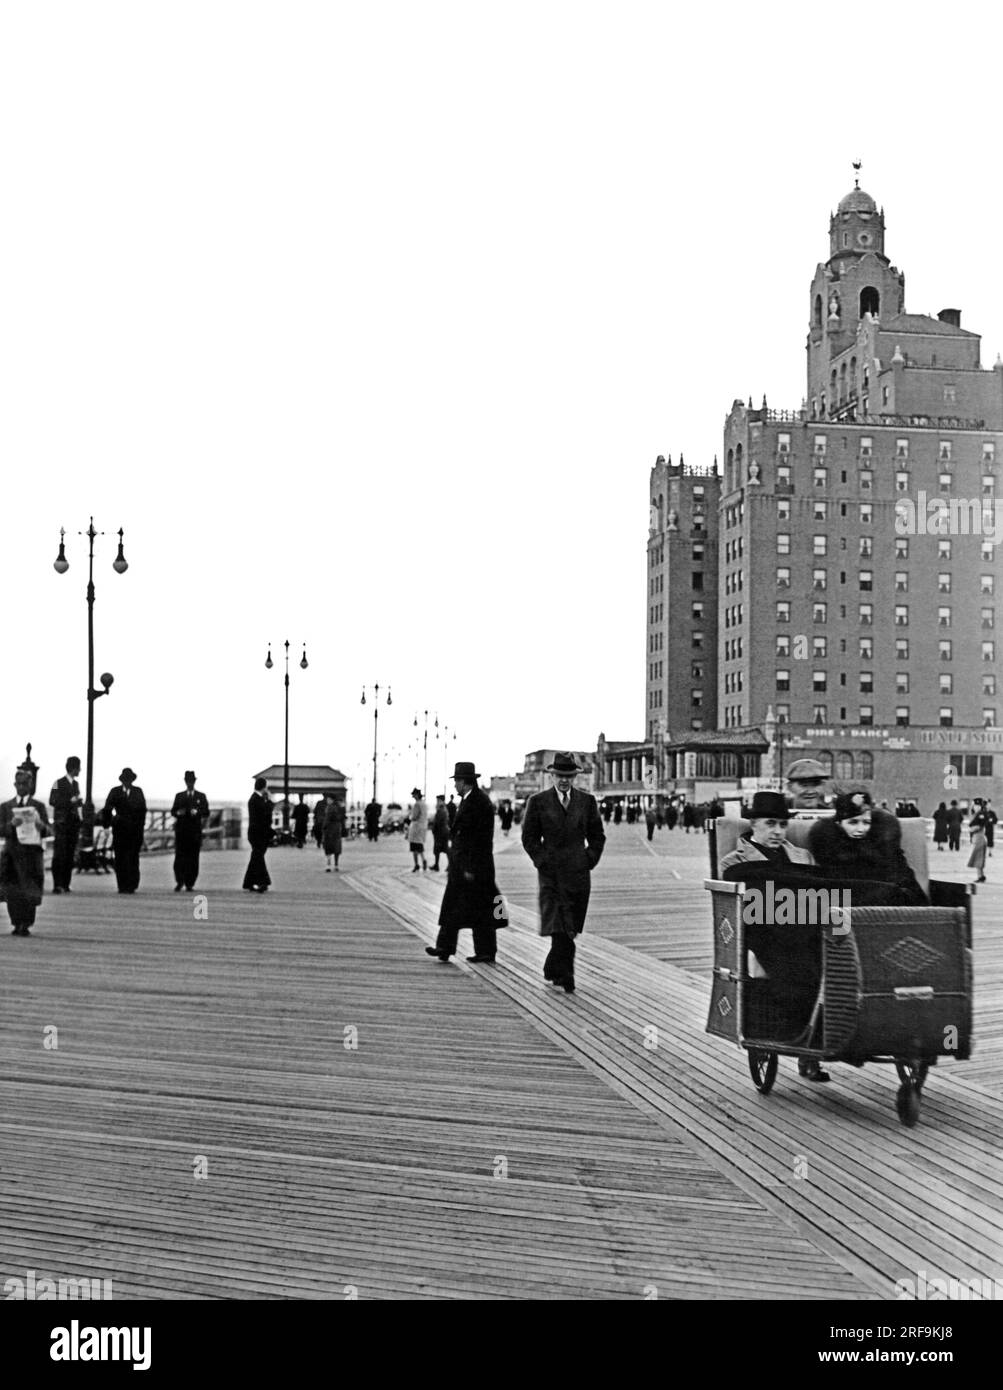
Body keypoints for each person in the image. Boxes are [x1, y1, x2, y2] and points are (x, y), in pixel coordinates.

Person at [720, 791, 828, 1081]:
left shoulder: (802, 857)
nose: (778, 831)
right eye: (771, 823)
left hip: (804, 931)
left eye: (783, 824)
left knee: (829, 960)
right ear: (753, 823)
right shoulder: (734, 861)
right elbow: (742, 911)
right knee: (795, 970)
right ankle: (800, 1040)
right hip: (764, 935)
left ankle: (814, 1044)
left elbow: (818, 897)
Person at [520, 752, 605, 994]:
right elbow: (529, 838)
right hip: (551, 875)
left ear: (574, 777)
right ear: (552, 776)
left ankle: (553, 967)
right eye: (560, 776)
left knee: (572, 927)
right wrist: (542, 861)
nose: (564, 780)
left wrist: (589, 859)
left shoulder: (587, 802)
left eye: (568, 776)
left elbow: (597, 836)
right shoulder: (538, 802)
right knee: (560, 925)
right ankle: (567, 976)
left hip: (578, 874)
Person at [427, 760, 507, 962]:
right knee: (458, 908)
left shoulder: (479, 802)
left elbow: (479, 839)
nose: (455, 785)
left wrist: (470, 867)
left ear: (464, 782)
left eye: (457, 781)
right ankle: (446, 947)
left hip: (474, 868)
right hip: (463, 866)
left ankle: (484, 951)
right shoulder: (471, 800)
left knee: (480, 910)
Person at [808, 790, 927, 906]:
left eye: (866, 822)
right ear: (839, 823)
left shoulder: (886, 849)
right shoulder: (832, 851)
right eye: (853, 822)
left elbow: (907, 885)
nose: (861, 829)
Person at [0, 768, 50, 936]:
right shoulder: (6, 807)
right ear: (15, 785)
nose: (22, 787)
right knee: (12, 891)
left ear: (31, 785)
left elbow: (49, 831)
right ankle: (16, 922)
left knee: (29, 891)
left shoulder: (39, 806)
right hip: (12, 855)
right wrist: (10, 825)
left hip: (31, 854)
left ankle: (26, 923)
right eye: (19, 784)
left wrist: (41, 826)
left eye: (25, 784)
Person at [101, 768, 147, 894]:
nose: (127, 782)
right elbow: (107, 808)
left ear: (132, 780)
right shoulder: (115, 792)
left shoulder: (138, 792)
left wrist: (141, 828)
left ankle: (132, 884)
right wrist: (107, 825)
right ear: (122, 780)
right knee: (120, 857)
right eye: (125, 780)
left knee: (133, 857)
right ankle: (122, 885)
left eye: (129, 780)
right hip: (120, 829)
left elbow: (142, 811)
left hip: (134, 830)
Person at [170, 771, 210, 892]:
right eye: (188, 781)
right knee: (179, 857)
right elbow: (173, 811)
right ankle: (179, 881)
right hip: (181, 831)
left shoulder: (201, 796)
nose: (190, 783)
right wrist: (178, 813)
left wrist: (197, 812)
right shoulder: (179, 796)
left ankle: (190, 883)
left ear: (194, 782)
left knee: (193, 858)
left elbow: (206, 812)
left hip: (194, 832)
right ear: (185, 782)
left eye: (191, 781)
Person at [49, 755, 82, 894]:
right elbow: (52, 800)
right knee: (59, 854)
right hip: (62, 824)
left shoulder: (75, 784)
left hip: (73, 824)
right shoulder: (58, 782)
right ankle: (57, 884)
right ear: (73, 768)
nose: (80, 770)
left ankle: (66, 883)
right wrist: (70, 801)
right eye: (78, 767)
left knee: (69, 854)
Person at [243, 777, 272, 892]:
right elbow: (265, 815)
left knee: (256, 857)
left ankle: (249, 882)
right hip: (258, 834)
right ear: (264, 787)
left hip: (257, 833)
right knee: (258, 857)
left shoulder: (255, 799)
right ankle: (263, 882)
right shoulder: (256, 800)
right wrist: (268, 801)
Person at [407, 787, 428, 872]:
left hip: (416, 828)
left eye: (414, 795)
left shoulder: (417, 804)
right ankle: (423, 860)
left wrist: (409, 817)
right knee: (420, 846)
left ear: (416, 795)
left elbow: (414, 817)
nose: (413, 796)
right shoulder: (424, 804)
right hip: (423, 827)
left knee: (414, 847)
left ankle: (416, 864)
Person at [322, 791, 343, 871]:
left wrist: (324, 827)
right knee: (336, 847)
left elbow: (327, 819)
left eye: (328, 799)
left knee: (328, 847)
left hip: (330, 829)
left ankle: (328, 865)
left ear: (331, 800)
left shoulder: (329, 807)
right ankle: (336, 865)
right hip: (337, 829)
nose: (327, 800)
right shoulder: (339, 807)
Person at [430, 794, 450, 871]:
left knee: (445, 849)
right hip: (441, 832)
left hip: (441, 833)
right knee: (438, 850)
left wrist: (434, 829)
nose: (437, 802)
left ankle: (449, 865)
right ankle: (436, 865)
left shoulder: (441, 809)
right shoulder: (442, 808)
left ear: (441, 801)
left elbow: (438, 822)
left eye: (438, 800)